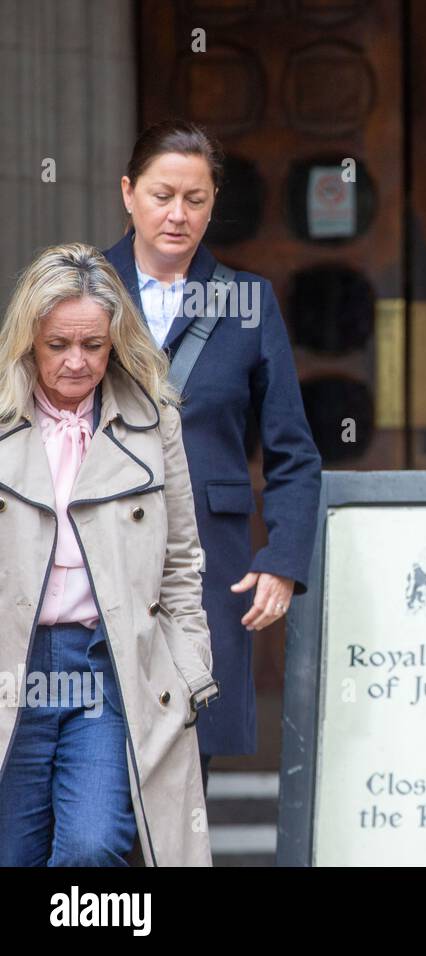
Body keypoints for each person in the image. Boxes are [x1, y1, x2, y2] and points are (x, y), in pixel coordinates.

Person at [102, 120, 322, 786]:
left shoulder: (249, 302)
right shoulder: (82, 288)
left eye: (195, 199)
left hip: (207, 564)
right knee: (95, 752)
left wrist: (282, 560)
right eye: (163, 194)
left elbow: (293, 453)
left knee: (186, 770)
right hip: (94, 549)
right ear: (128, 193)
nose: (178, 214)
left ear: (213, 202)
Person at [0, 243, 216, 865]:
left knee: (94, 847)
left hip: (109, 664)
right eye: (57, 345)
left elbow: (181, 560)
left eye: (92, 346)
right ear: (28, 340)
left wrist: (187, 660)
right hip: (15, 663)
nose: (75, 362)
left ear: (115, 341)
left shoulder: (154, 423)